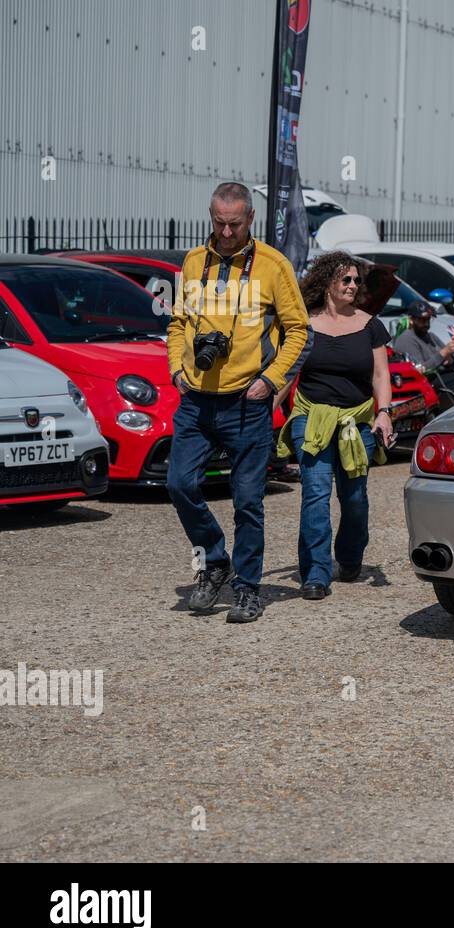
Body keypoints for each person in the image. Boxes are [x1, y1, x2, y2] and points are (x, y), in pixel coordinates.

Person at [166, 182, 310, 624]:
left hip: (247, 402)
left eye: (234, 223)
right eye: (218, 223)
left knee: (247, 501)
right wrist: (176, 371)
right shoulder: (193, 262)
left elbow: (299, 332)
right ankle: (214, 561)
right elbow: (177, 323)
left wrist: (271, 380)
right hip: (197, 401)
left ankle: (248, 589)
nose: (226, 232)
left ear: (251, 219)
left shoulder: (272, 264)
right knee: (179, 485)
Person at [273, 253, 393, 600]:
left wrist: (384, 412)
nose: (354, 286)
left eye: (356, 281)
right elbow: (287, 374)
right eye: (346, 280)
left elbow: (380, 374)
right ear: (328, 283)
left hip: (356, 422)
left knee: (354, 499)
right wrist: (265, 409)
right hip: (311, 418)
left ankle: (351, 556)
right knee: (315, 494)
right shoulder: (304, 324)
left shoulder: (370, 325)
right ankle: (316, 572)